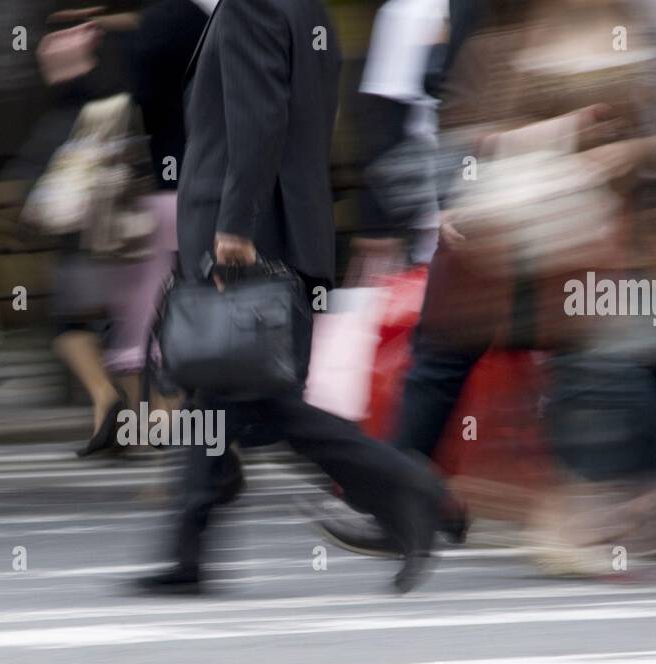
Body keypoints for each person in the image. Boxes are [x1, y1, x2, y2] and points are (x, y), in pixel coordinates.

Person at [136, 0, 456, 595]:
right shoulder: (309, 10)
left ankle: (414, 489)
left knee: (264, 403)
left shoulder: (255, 6)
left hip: (253, 238)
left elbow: (261, 118)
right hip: (289, 230)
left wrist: (235, 224)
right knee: (219, 395)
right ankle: (187, 550)